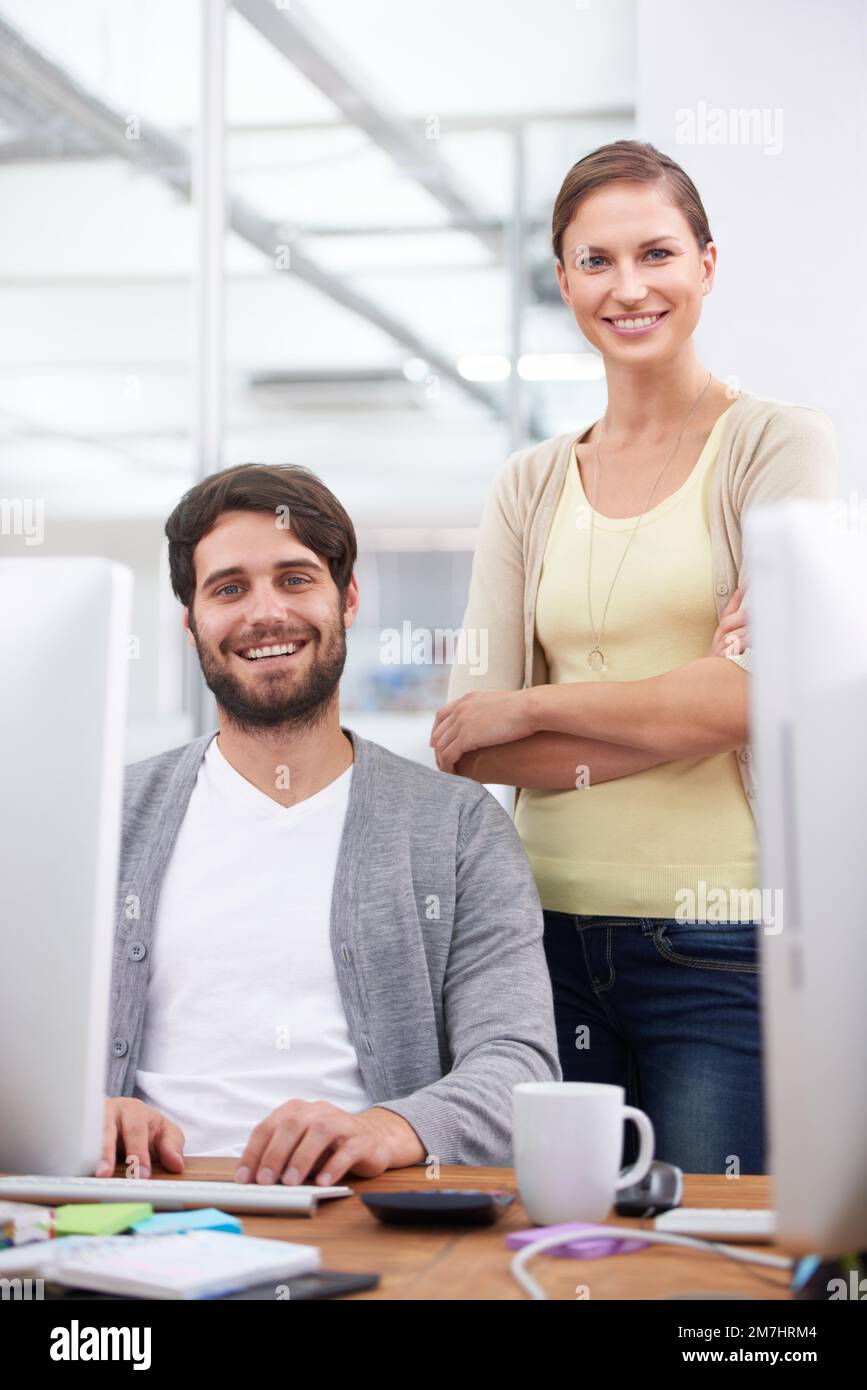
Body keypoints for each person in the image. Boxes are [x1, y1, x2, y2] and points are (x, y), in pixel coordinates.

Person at [431, 140, 838, 1175]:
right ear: (564, 280)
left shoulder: (778, 445)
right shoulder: (528, 483)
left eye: (656, 252)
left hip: (720, 942)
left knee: (701, 1267)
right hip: (538, 937)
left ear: (707, 261)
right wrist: (696, 690)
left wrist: (536, 708)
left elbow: (761, 702)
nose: (629, 286)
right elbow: (464, 737)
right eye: (596, 260)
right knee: (563, 1249)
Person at [100, 462, 560, 1186]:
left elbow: (519, 1069)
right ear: (191, 624)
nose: (265, 613)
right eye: (228, 588)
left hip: (364, 1211)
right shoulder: (110, 819)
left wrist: (387, 1128)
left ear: (346, 600)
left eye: (294, 578)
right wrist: (85, 1108)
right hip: (143, 1212)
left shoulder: (456, 826)